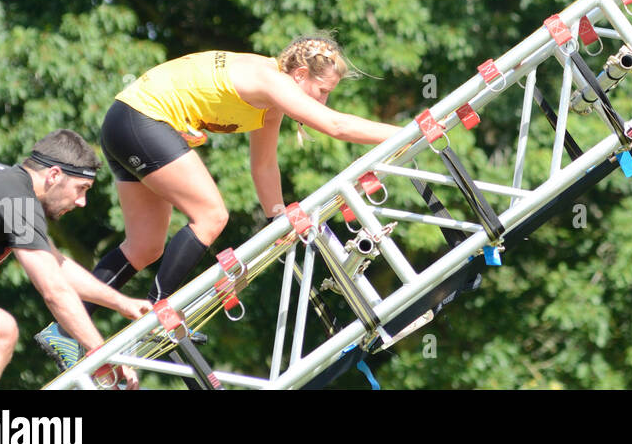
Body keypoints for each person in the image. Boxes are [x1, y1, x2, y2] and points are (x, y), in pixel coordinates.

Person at [35, 34, 404, 367]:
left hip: (125, 120)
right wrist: (406, 132)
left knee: (144, 247)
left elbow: (263, 165)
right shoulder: (271, 80)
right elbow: (335, 125)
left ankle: (63, 330)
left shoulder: (270, 100)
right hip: (141, 120)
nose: (323, 101)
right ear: (300, 74)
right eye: (322, 91)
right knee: (211, 215)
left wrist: (277, 219)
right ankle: (160, 316)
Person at [0, 130, 153, 389]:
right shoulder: (16, 200)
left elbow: (56, 265)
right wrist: (103, 356)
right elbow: (54, 291)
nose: (82, 201)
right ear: (54, 175)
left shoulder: (7, 185)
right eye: (81, 188)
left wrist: (122, 303)